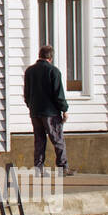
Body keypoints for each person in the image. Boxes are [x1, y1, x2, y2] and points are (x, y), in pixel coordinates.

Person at [24, 44, 75, 176]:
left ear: (39, 55)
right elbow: (58, 94)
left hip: (35, 111)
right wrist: (64, 109)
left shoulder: (29, 71)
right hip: (50, 112)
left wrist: (30, 105)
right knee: (57, 139)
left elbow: (27, 93)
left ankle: (39, 168)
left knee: (39, 140)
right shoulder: (54, 71)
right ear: (50, 58)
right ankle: (62, 168)